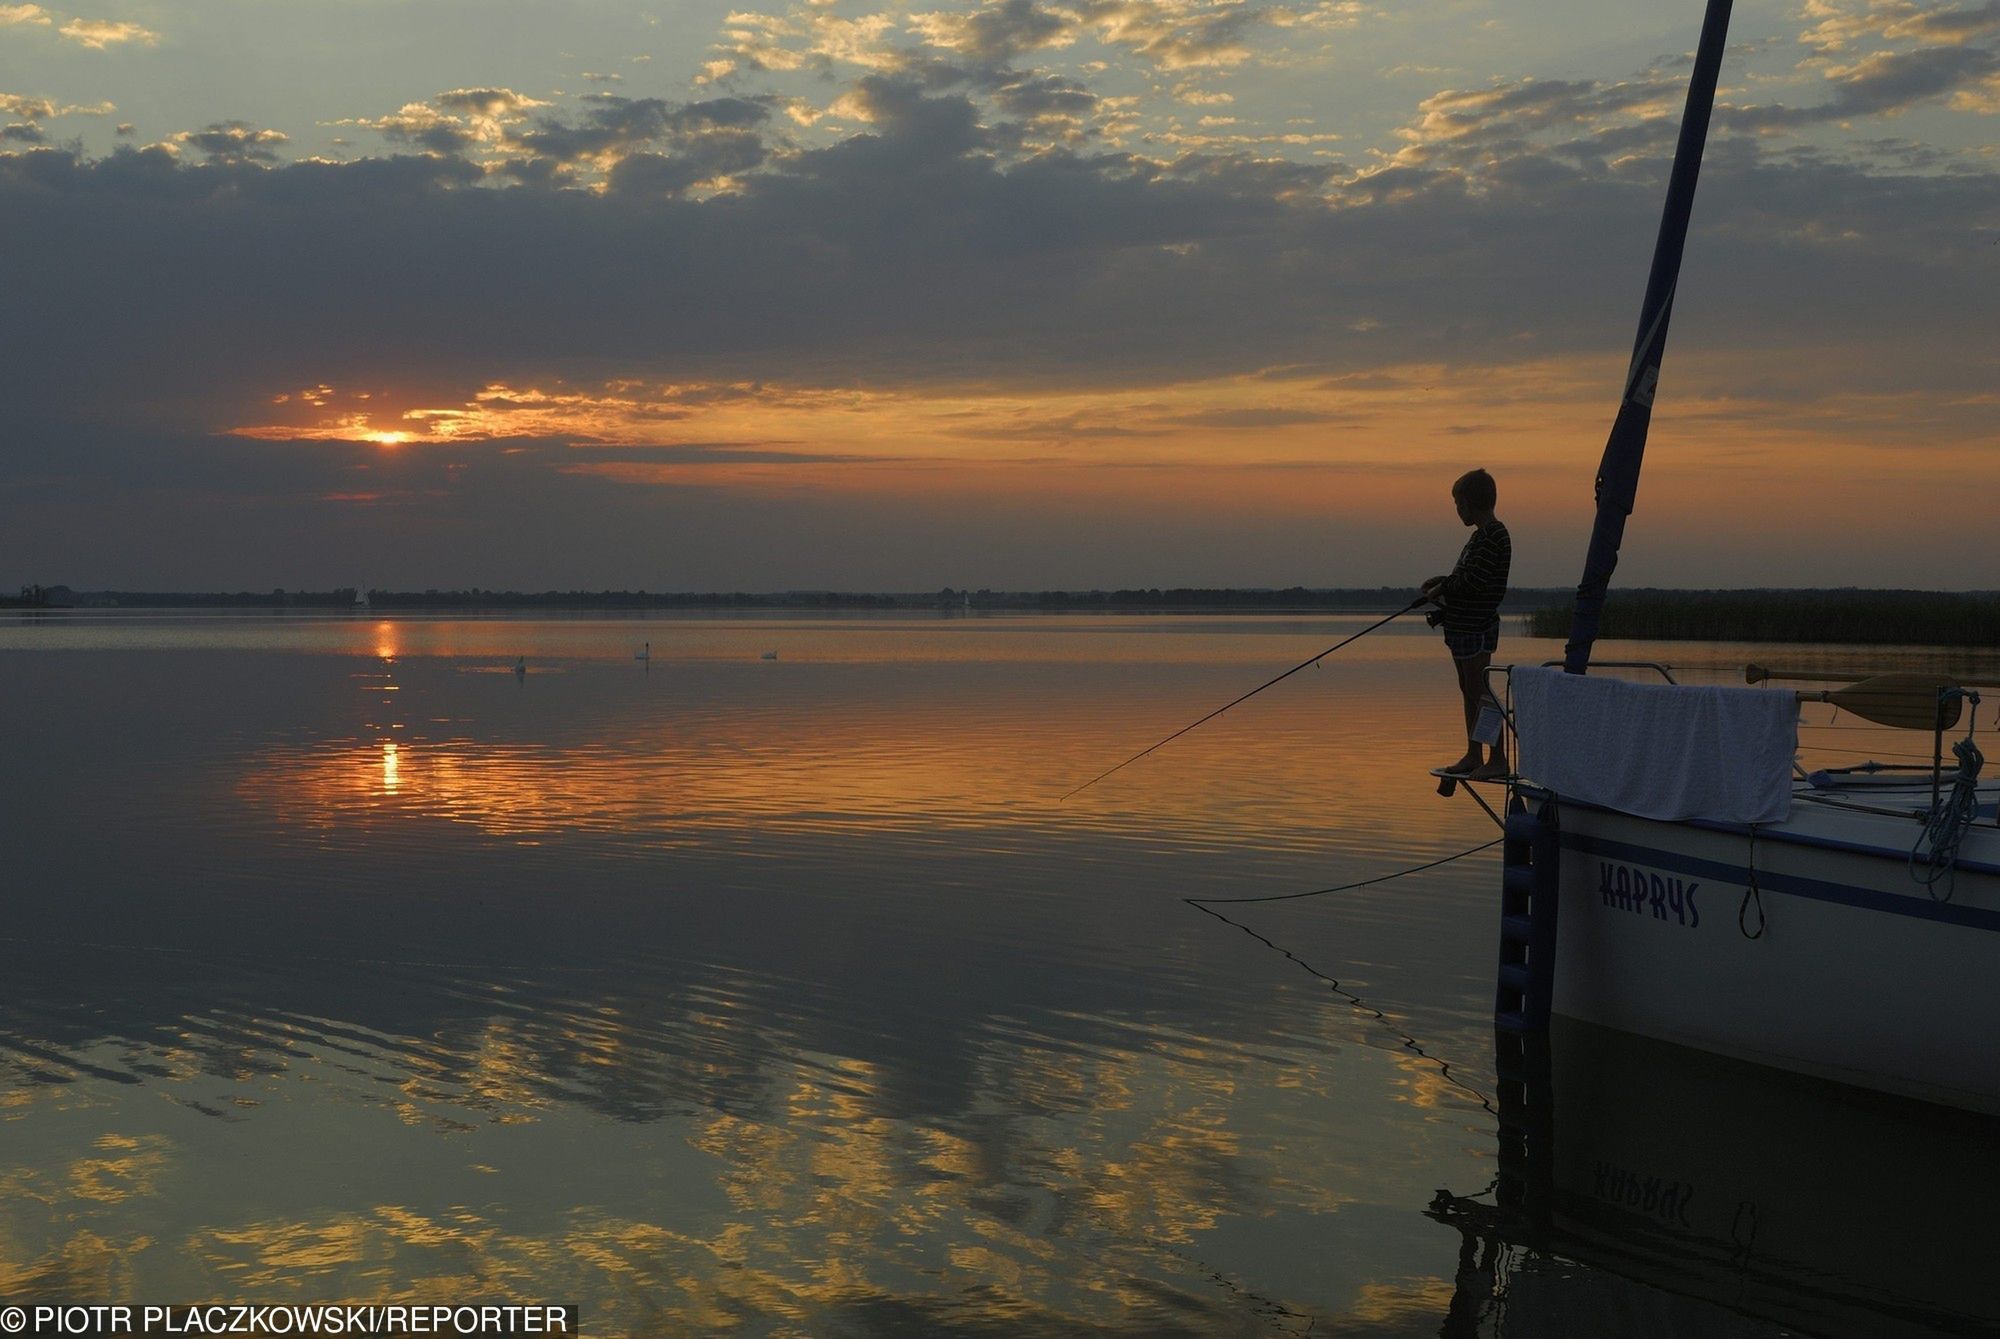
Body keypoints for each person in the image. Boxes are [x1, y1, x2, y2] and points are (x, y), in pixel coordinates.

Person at [1421, 469, 1511, 779]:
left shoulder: (1493, 536)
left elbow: (1473, 582)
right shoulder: (1479, 537)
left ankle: (1497, 758)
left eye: (1459, 504)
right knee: (1468, 687)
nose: (1458, 510)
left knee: (1479, 689)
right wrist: (1441, 582)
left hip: (1476, 625)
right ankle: (1474, 754)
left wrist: (1442, 588)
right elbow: (1465, 576)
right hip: (1463, 625)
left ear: (1471, 503)